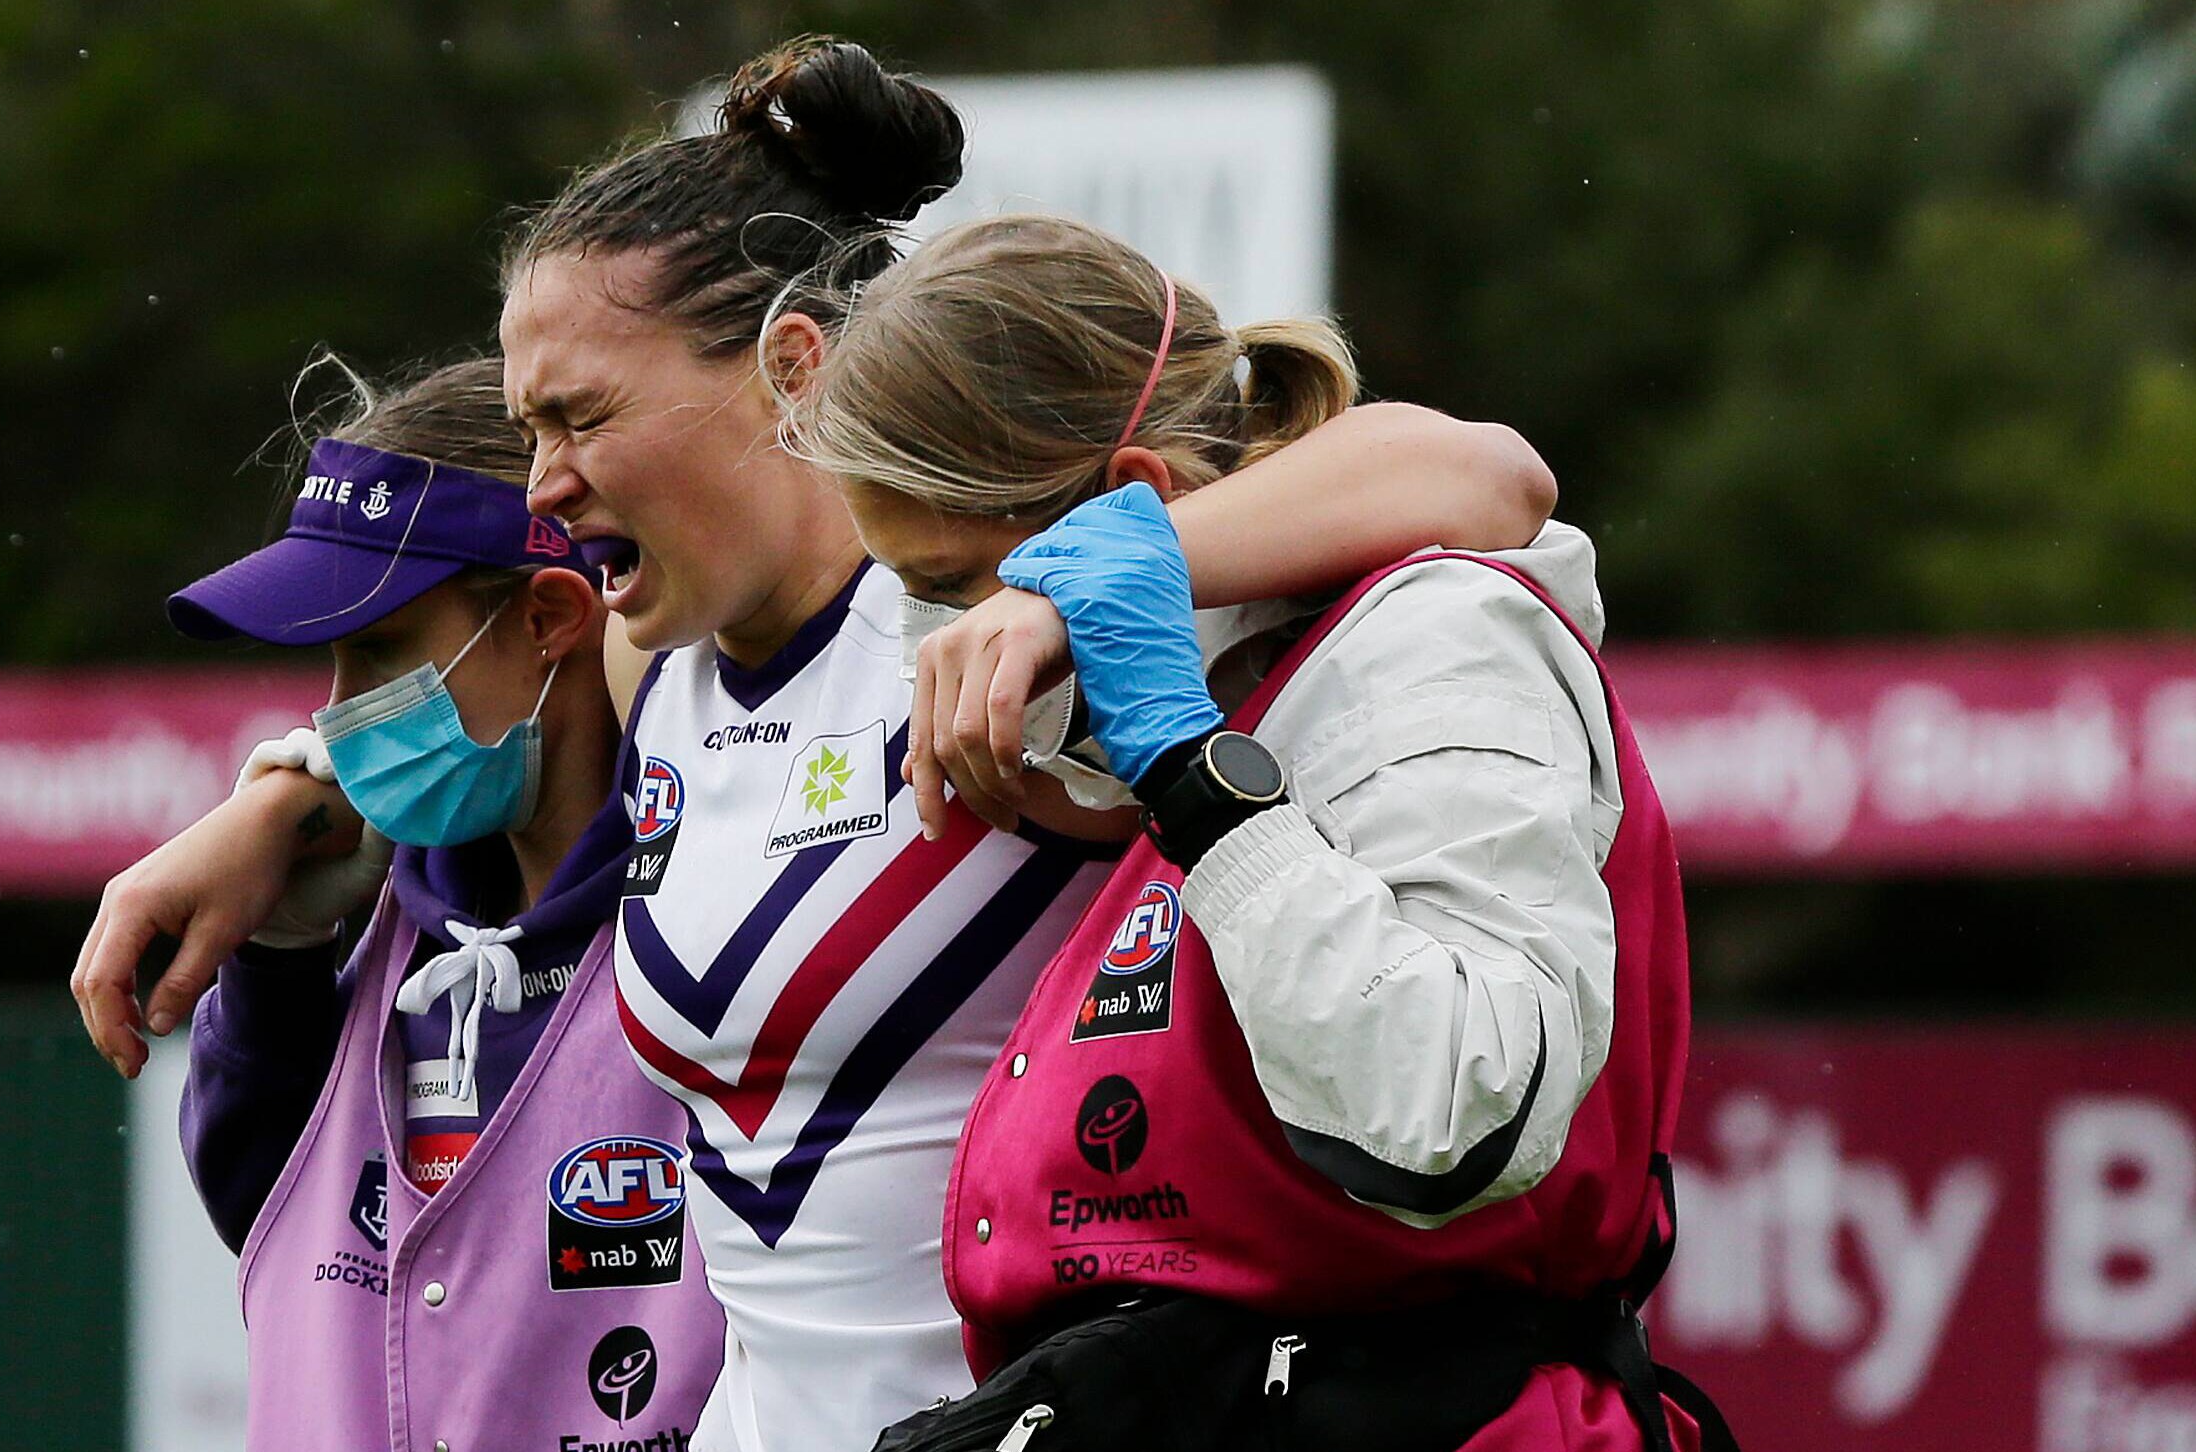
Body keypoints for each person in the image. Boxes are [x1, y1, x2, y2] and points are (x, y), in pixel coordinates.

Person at [495, 38, 1564, 1452]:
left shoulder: (1001, 596)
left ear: (790, 368)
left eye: (583, 416)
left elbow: (1485, 478)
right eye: (527, 425)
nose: (541, 483)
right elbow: (438, 657)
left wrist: (1100, 585)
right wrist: (273, 800)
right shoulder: (657, 662)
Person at [775, 212, 1728, 1451]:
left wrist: (1195, 780)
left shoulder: (1432, 636)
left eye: (958, 589)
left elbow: (1460, 1105)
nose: (938, 645)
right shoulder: (1201, 687)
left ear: (1132, 506)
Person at [83, 356, 724, 1452]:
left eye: (377, 652)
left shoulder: (731, 898)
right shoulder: (388, 897)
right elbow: (274, 1226)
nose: (334, 718)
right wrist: (280, 952)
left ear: (549, 618)